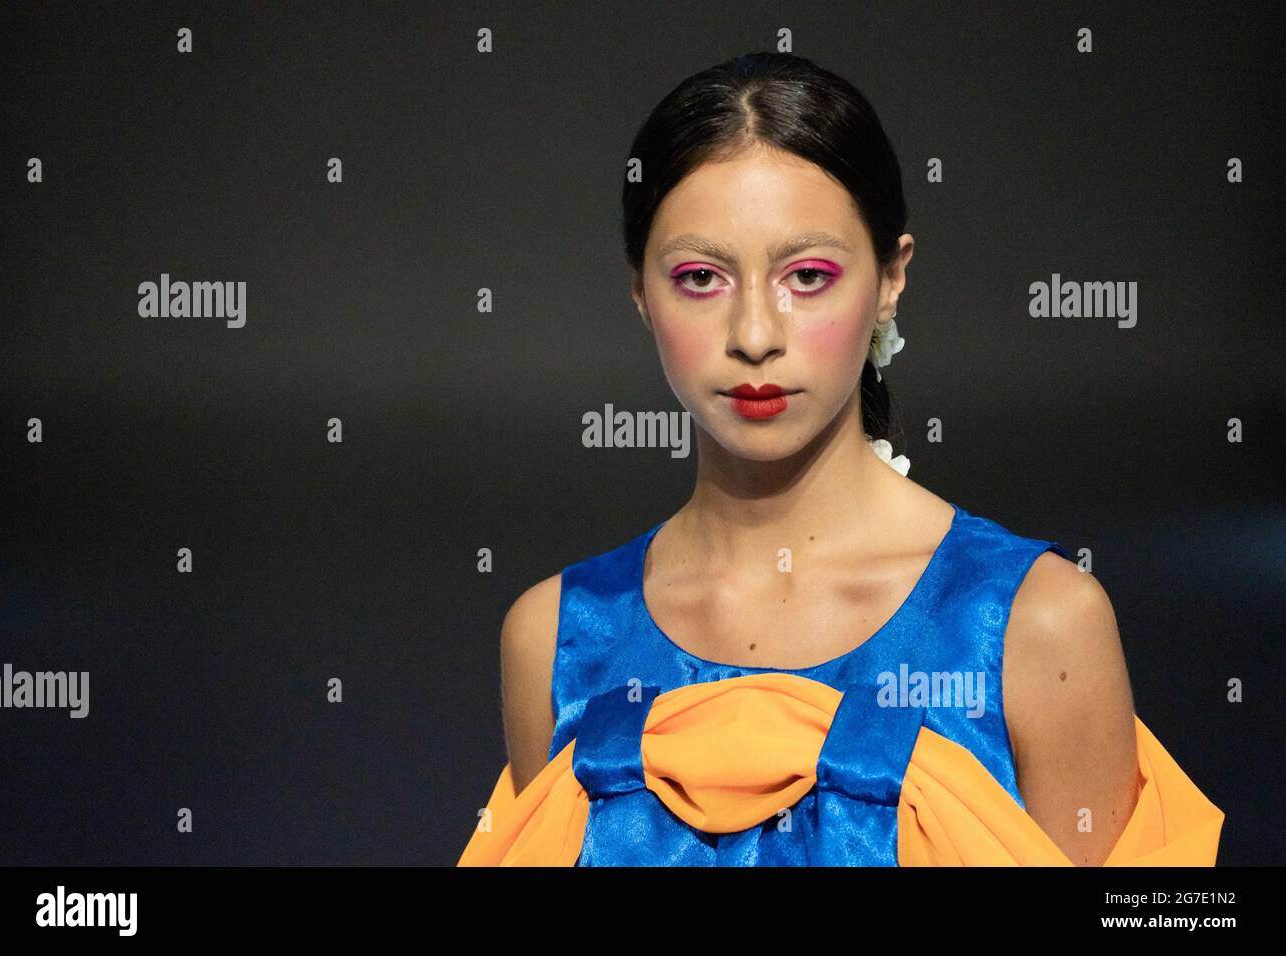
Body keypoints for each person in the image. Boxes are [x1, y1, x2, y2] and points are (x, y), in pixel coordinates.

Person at [460, 52, 1223, 866]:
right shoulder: (556, 639)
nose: (756, 333)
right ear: (641, 294)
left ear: (892, 277)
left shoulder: (1038, 627)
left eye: (809, 275)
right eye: (699, 277)